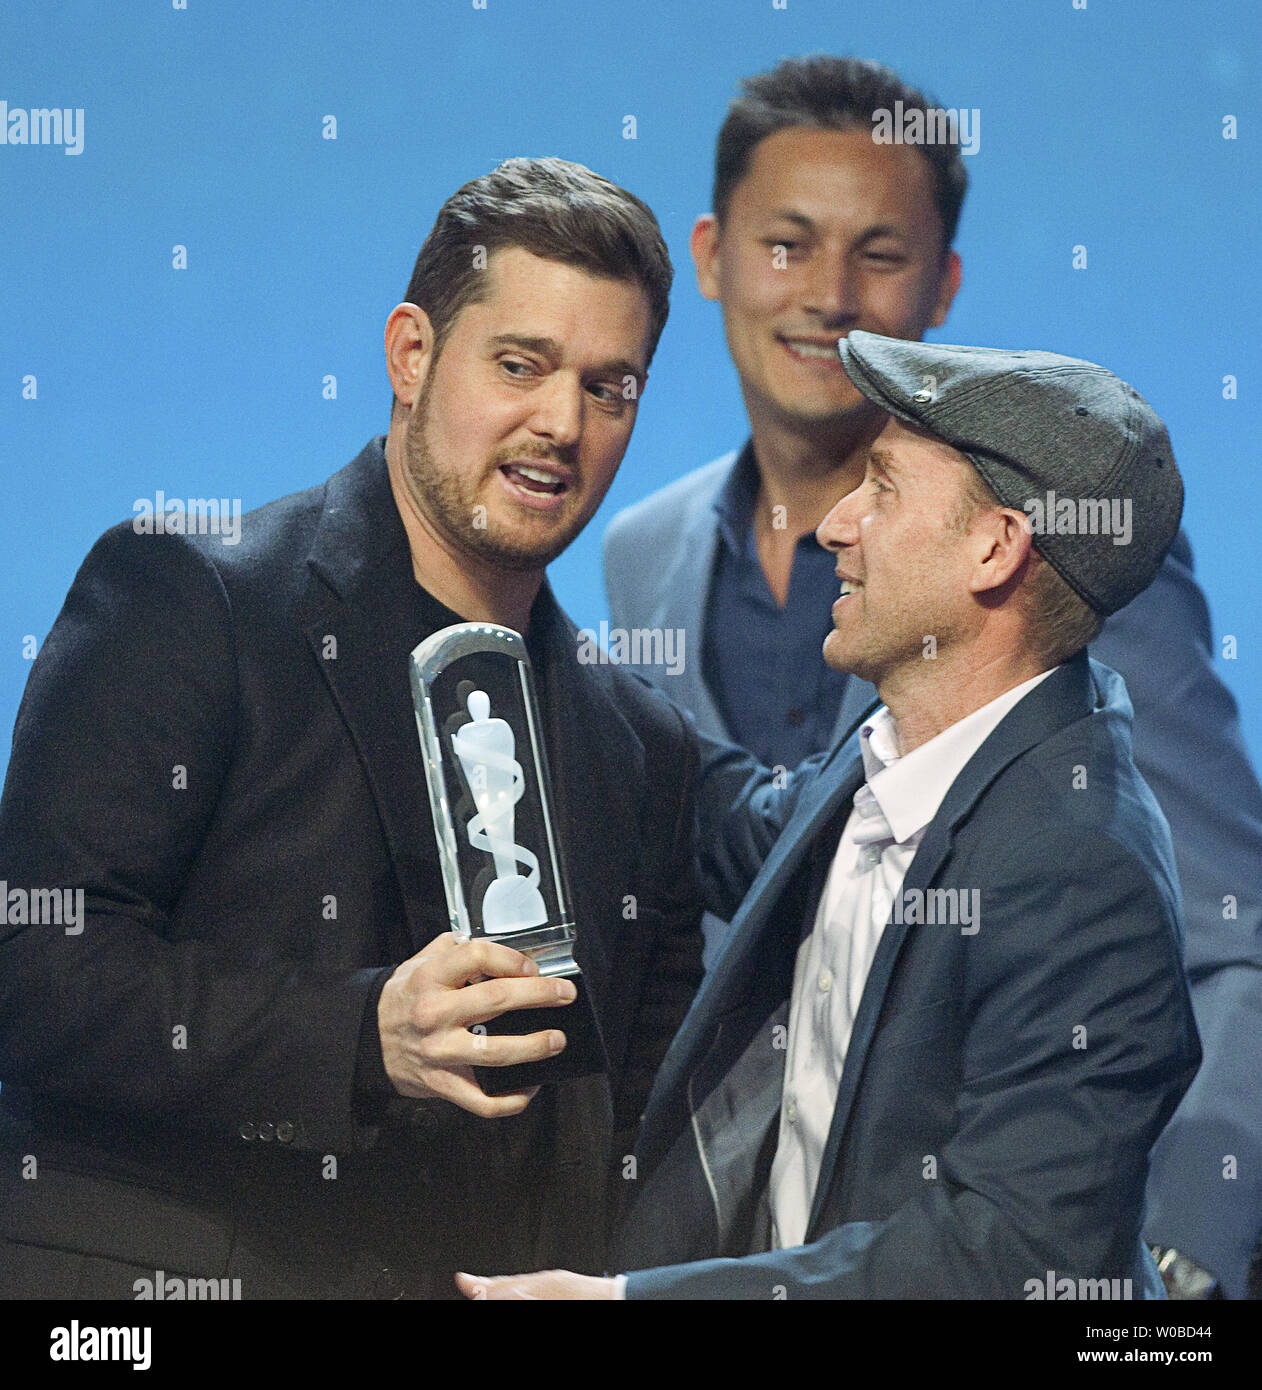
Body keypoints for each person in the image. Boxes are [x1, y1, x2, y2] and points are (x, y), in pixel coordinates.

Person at [602, 53, 1262, 1299]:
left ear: (942, 280)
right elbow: (740, 849)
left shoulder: (1071, 546)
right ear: (712, 255)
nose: (827, 296)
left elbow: (1229, 938)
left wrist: (1173, 1260)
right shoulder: (640, 552)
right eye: (786, 244)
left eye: (878, 252)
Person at [0, 157, 704, 1299]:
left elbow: (640, 1130)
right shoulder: (193, 597)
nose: (561, 423)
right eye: (519, 364)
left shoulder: (644, 748)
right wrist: (359, 1035)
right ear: (412, 353)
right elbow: (30, 961)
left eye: (609, 386)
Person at [459, 332, 1202, 1299]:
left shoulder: (1080, 870)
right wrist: (510, 600)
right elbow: (719, 810)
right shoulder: (889, 760)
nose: (833, 526)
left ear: (996, 548)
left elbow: (1013, 1260)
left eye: (883, 488)